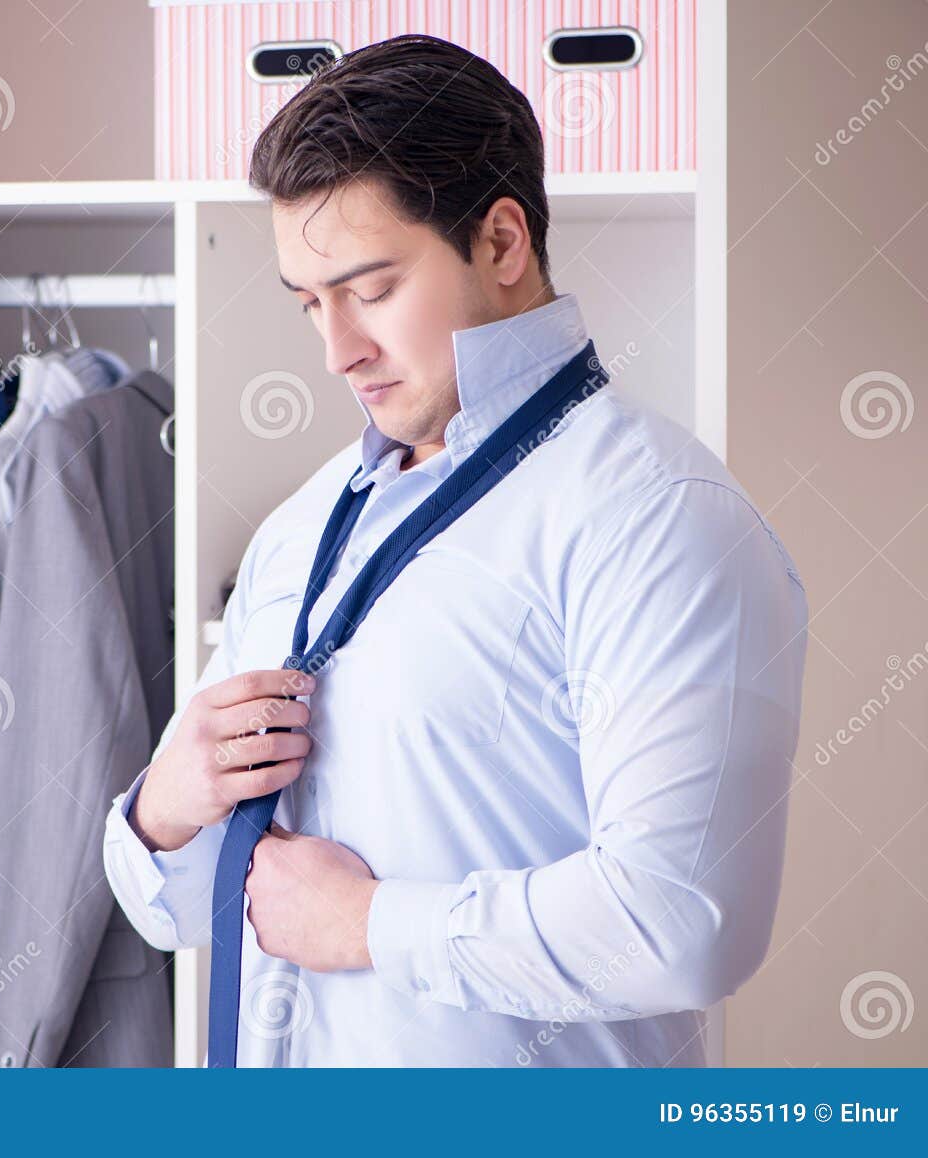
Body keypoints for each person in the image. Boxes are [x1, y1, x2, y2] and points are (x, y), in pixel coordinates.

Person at [102, 35, 809, 1067]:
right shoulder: (299, 531)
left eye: (371, 287)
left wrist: (372, 922)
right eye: (309, 302)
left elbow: (682, 923)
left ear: (503, 241)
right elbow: (187, 912)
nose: (337, 349)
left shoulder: (657, 518)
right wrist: (162, 811)